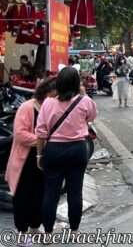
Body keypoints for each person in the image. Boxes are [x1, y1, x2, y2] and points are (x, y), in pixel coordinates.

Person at [36, 67, 98, 234]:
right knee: (75, 192)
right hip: (78, 150)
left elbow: (40, 132)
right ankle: (74, 230)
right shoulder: (84, 101)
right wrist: (83, 94)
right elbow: (92, 117)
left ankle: (48, 233)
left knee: (51, 193)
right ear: (77, 83)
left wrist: (39, 155)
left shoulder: (48, 103)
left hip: (54, 151)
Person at [6, 77, 57, 237]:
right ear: (45, 92)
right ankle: (22, 233)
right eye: (53, 95)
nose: (55, 99)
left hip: (43, 159)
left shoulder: (51, 109)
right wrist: (41, 141)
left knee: (40, 195)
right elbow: (20, 134)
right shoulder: (27, 107)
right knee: (22, 197)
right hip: (25, 160)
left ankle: (35, 227)